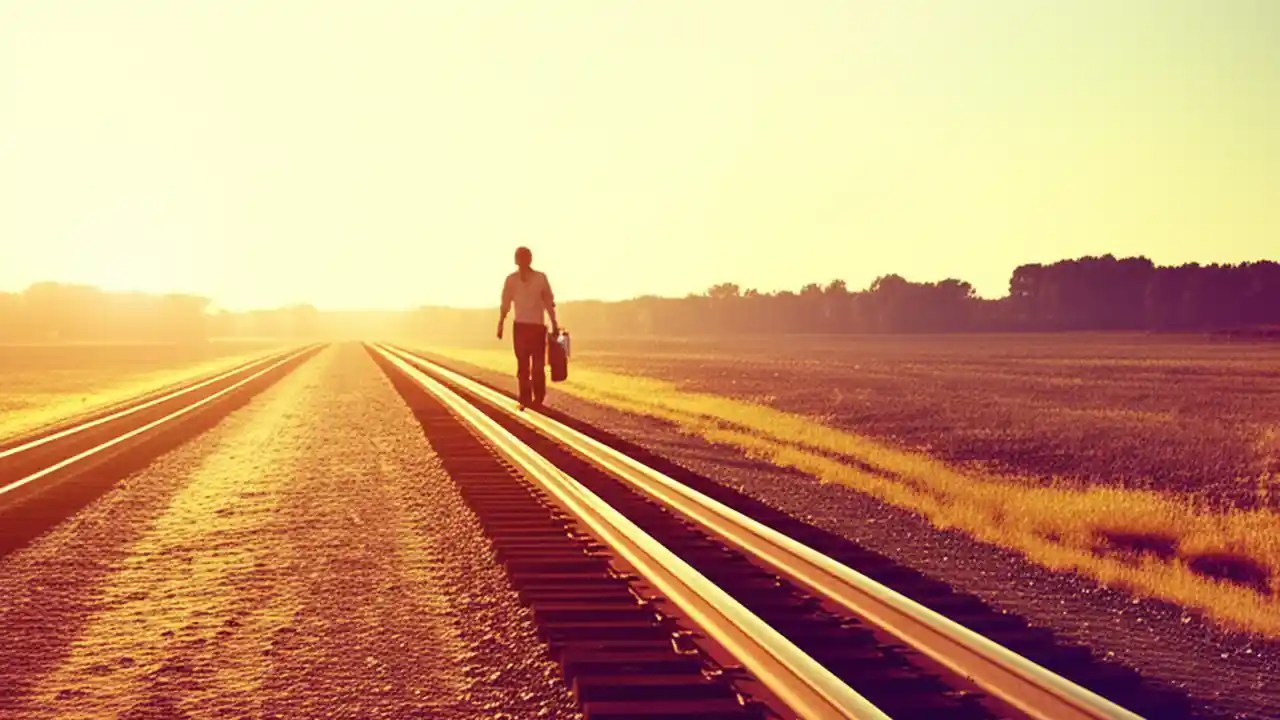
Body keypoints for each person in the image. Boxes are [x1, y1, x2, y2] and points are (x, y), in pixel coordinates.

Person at [498, 246, 558, 408]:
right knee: (526, 364)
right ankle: (529, 396)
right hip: (528, 327)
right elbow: (506, 303)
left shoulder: (538, 278)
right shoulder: (514, 280)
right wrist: (501, 323)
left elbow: (548, 302)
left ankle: (534, 397)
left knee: (533, 365)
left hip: (532, 327)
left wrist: (554, 322)